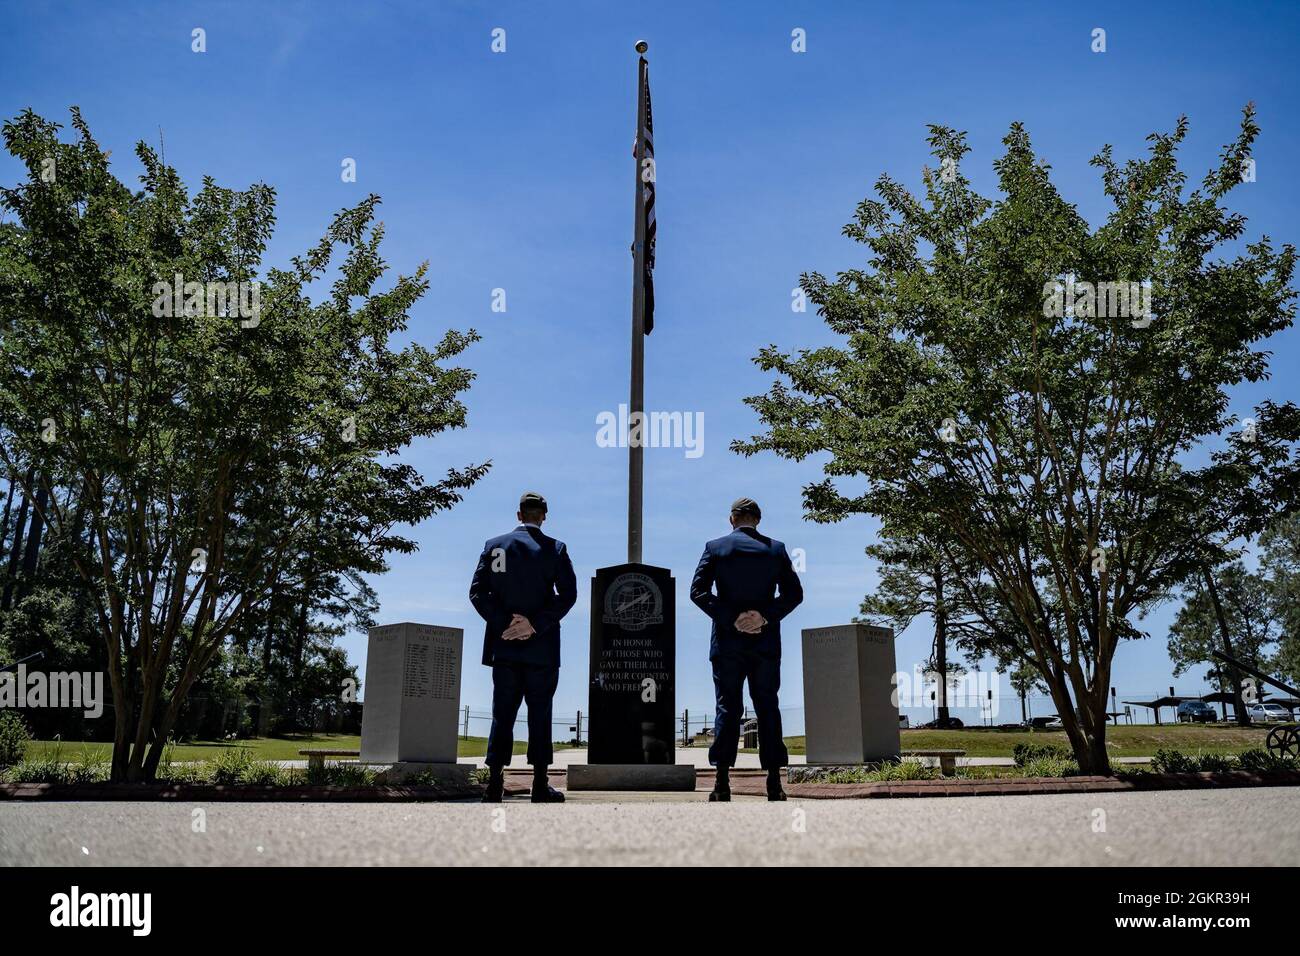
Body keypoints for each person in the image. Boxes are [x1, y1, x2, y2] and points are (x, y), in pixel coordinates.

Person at [690, 497, 803, 801]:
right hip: (765, 642)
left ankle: (722, 782)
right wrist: (763, 616)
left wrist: (732, 619)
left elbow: (698, 591)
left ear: (732, 519)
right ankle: (774, 783)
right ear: (758, 519)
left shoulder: (716, 548)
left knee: (728, 707)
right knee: (767, 706)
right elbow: (794, 594)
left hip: (727, 643)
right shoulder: (775, 549)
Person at [469, 491, 576, 803]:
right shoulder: (555, 549)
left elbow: (478, 593)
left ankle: (493, 784)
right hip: (541, 649)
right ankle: (540, 784)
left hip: (504, 648)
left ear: (518, 515)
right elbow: (567, 596)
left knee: (502, 714)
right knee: (540, 715)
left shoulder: (495, 546)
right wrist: (534, 624)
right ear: (543, 516)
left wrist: (505, 623)